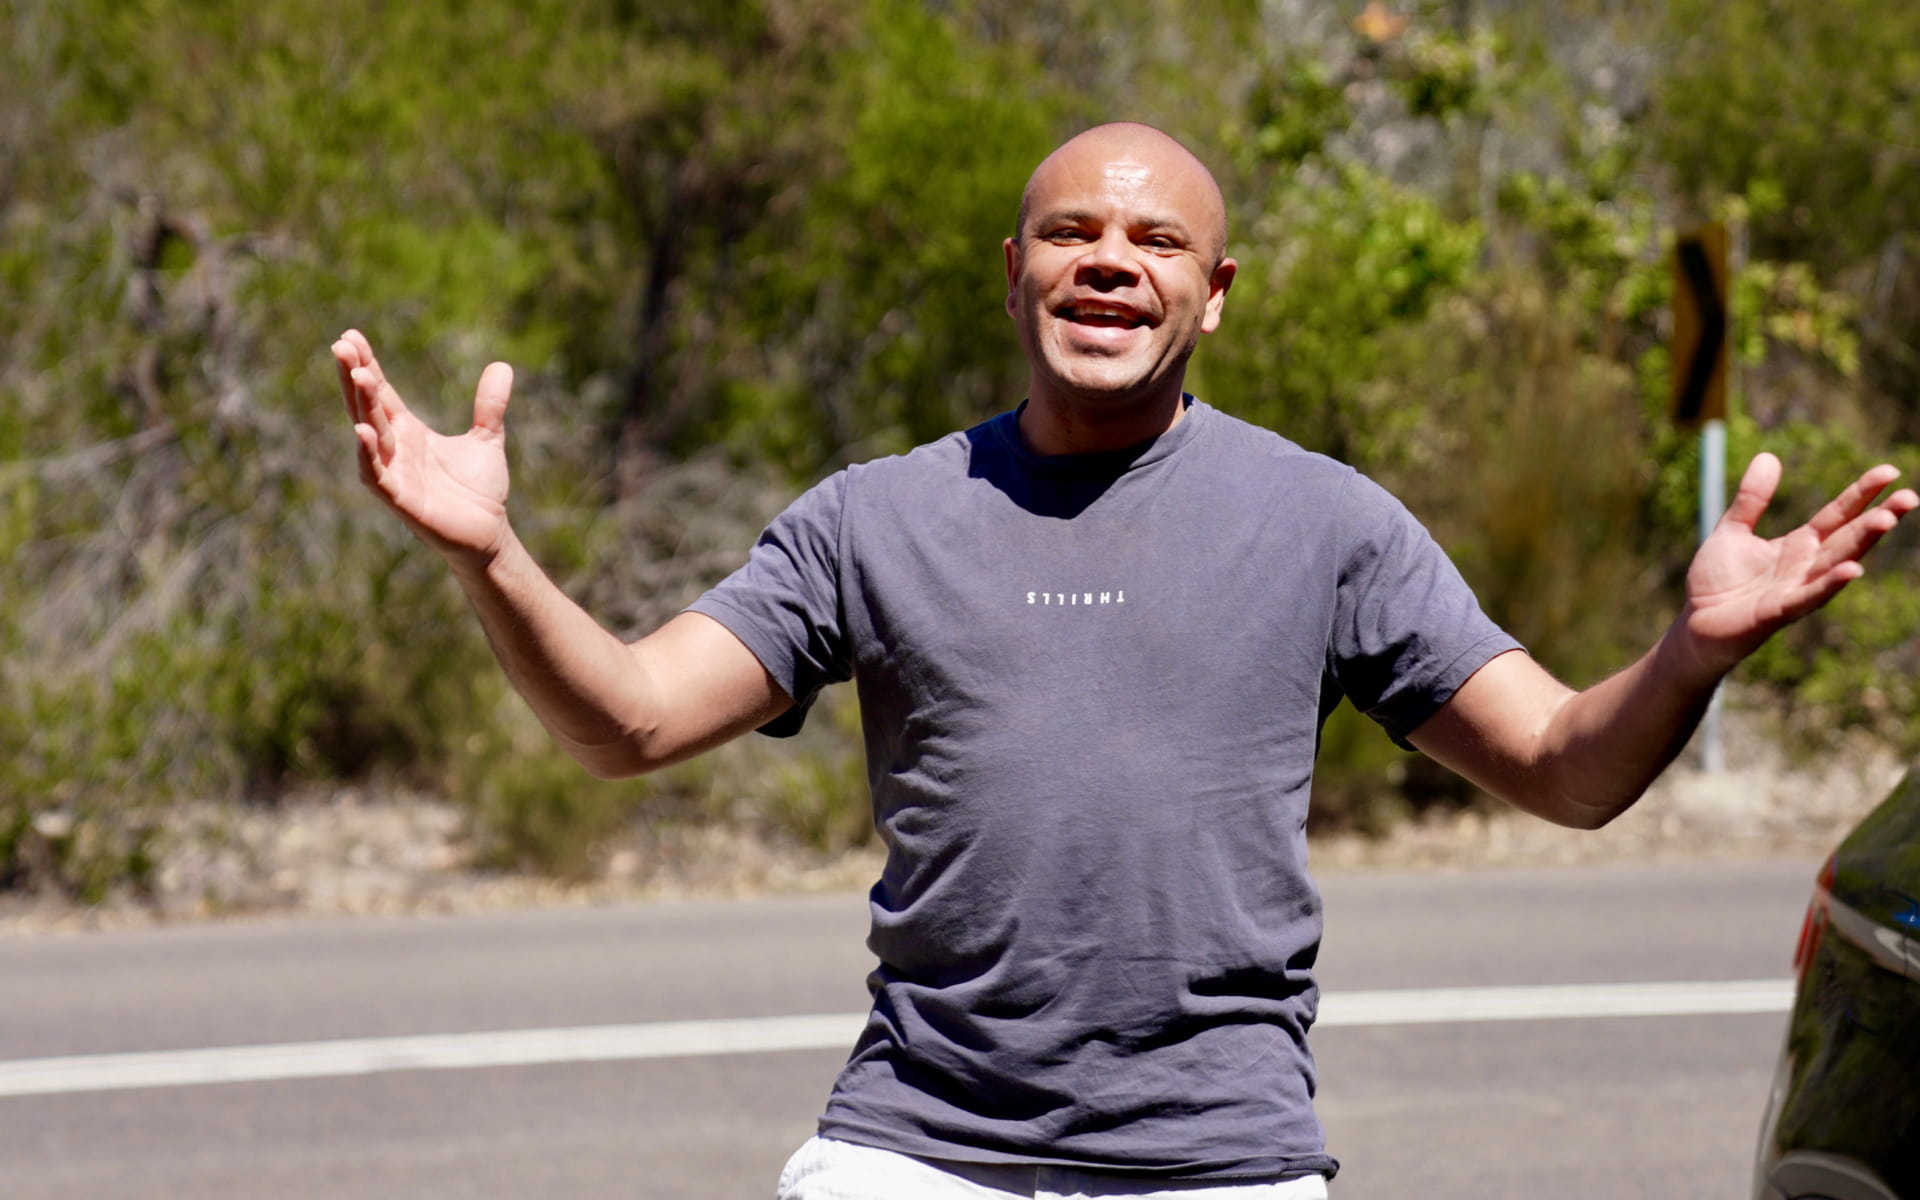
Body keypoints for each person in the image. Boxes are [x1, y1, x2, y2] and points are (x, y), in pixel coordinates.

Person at [332, 123, 1915, 1198]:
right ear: (1011, 266)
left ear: (1211, 297)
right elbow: (625, 722)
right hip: (919, 1145)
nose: (1110, 259)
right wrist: (493, 556)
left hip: (1219, 1153)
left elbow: (1566, 769)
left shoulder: (1326, 524)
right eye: (1072, 231)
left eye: (1156, 240)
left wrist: (1690, 651)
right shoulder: (871, 521)